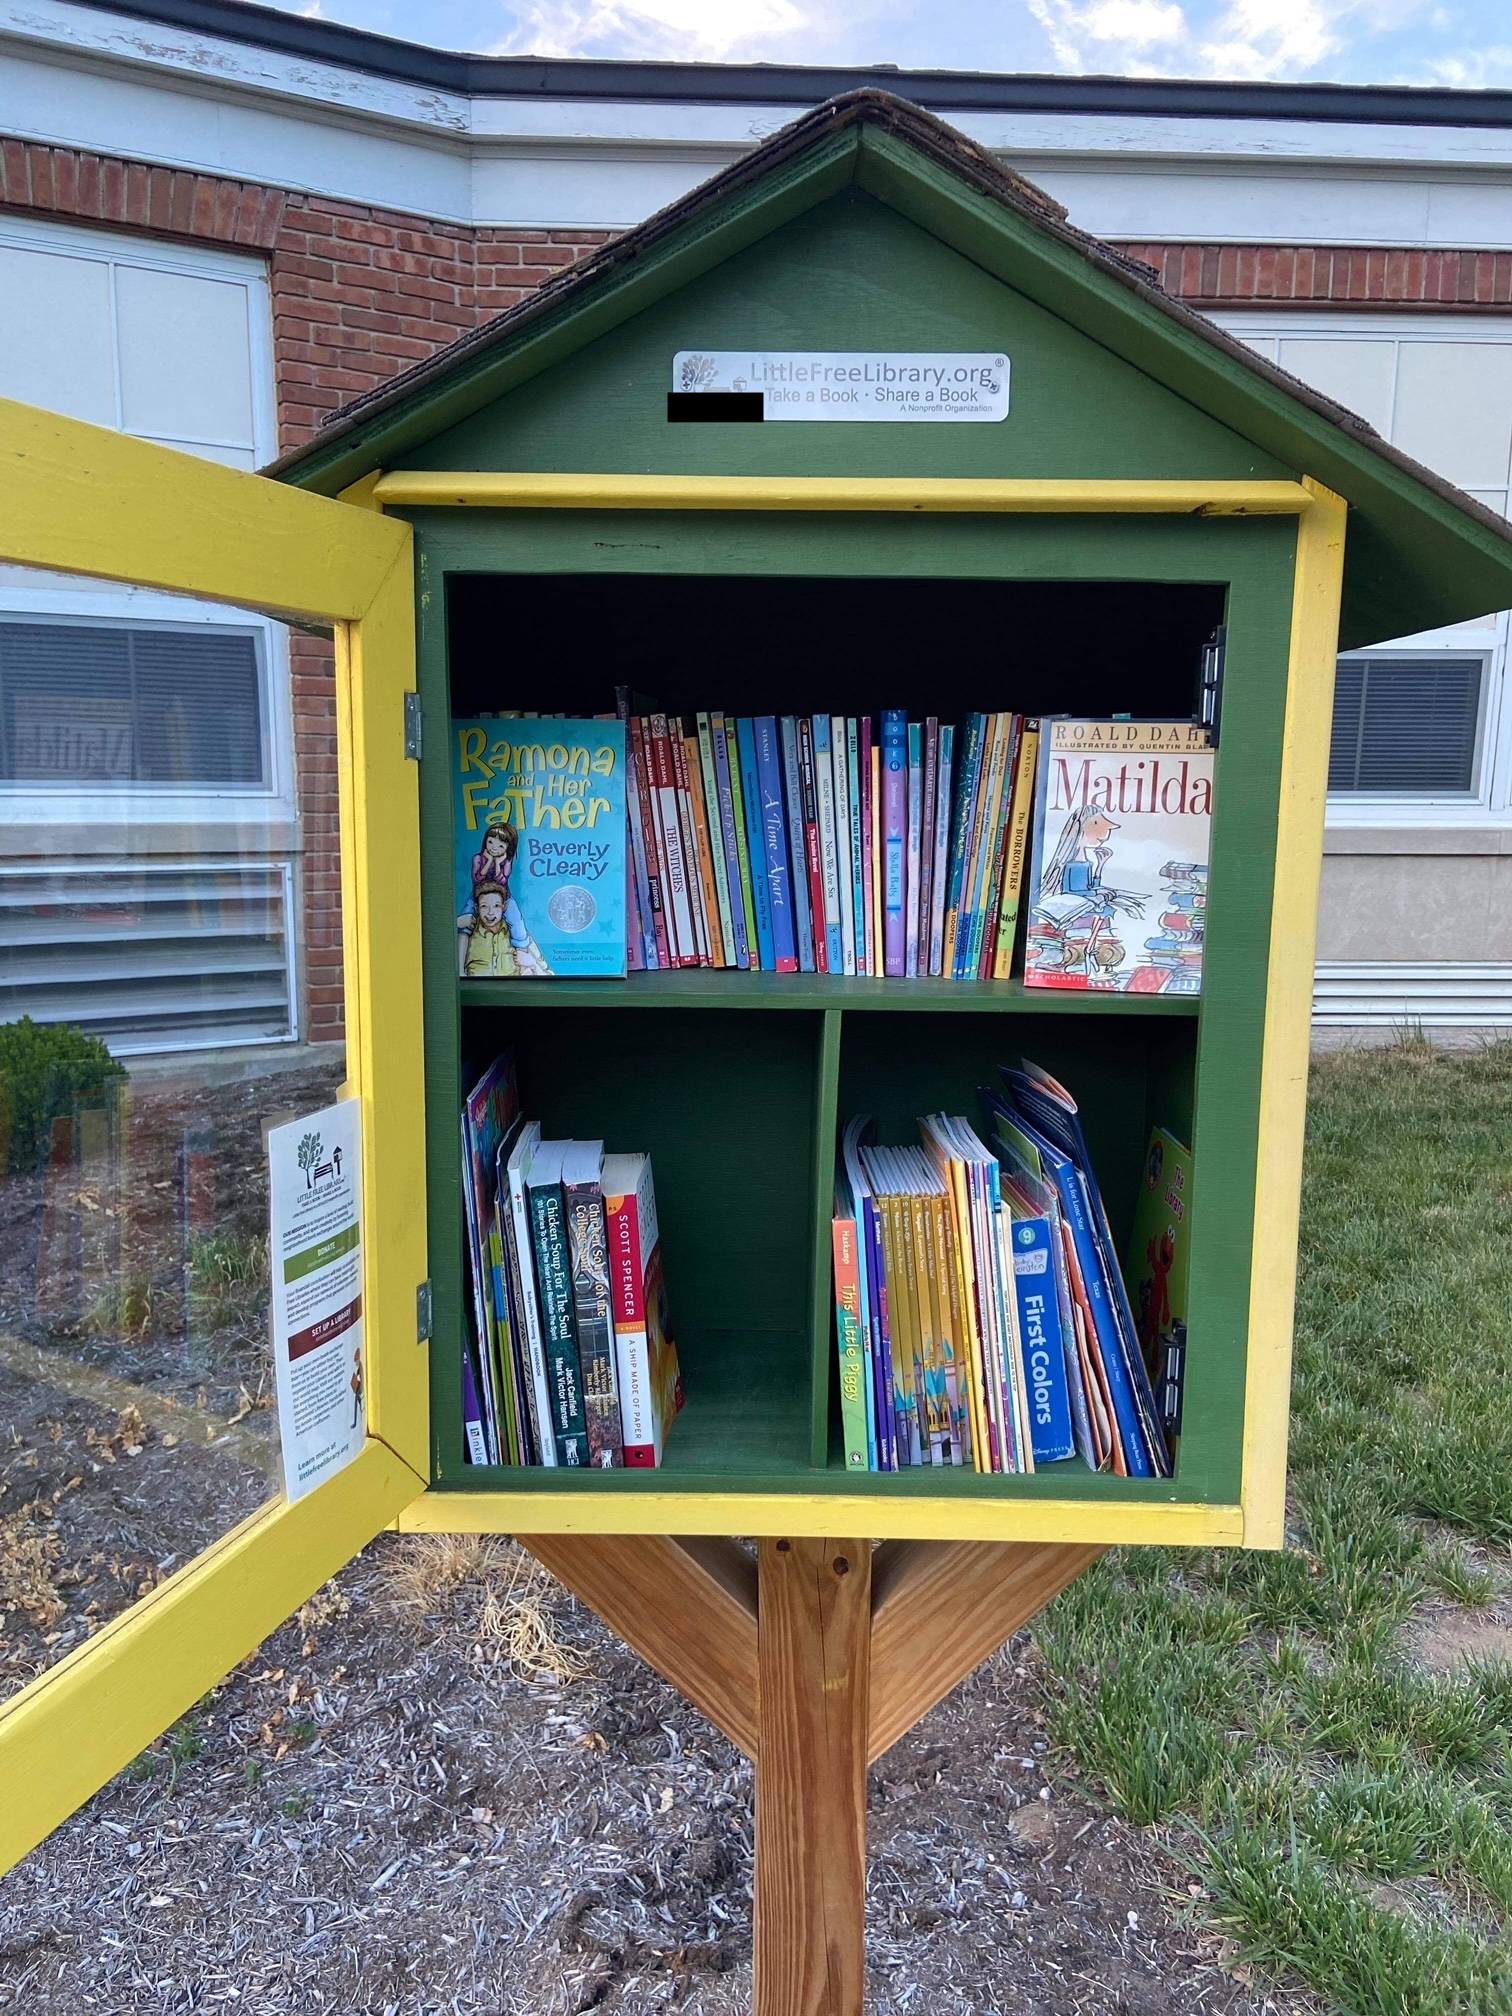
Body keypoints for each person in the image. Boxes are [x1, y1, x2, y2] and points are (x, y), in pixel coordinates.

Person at [457, 823, 549, 974]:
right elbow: (478, 878)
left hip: (502, 891)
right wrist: (488, 861)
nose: (494, 848)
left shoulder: (506, 862)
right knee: (464, 923)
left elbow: (501, 881)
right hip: (478, 892)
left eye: (501, 846)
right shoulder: (478, 858)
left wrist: (498, 863)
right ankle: (459, 969)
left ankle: (523, 967)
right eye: (491, 842)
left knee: (517, 922)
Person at [350, 1347, 364, 1429]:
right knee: (357, 1400)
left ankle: (356, 1421)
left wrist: (357, 1379)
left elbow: (361, 1377)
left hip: (360, 1387)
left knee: (357, 1400)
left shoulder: (360, 1367)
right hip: (358, 1387)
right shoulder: (359, 1368)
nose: (356, 1363)